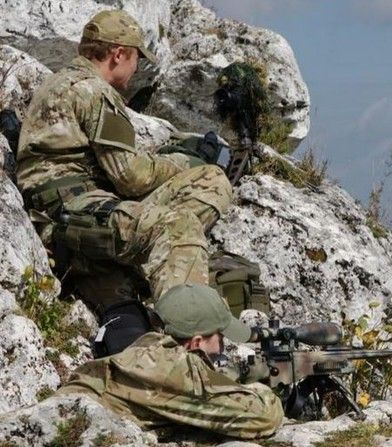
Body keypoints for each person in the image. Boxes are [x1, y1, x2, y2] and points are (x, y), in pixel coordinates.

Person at [15, 9, 233, 303]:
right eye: (136, 58)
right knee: (179, 224)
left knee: (212, 180)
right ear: (118, 55)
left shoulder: (61, 81)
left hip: (71, 209)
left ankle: (156, 261)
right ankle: (187, 330)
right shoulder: (94, 91)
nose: (137, 68)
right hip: (72, 216)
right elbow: (131, 177)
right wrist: (183, 160)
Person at [57, 283, 284, 439]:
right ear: (195, 342)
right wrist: (261, 389)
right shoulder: (172, 367)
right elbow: (261, 418)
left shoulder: (148, 347)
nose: (223, 345)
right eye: (220, 336)